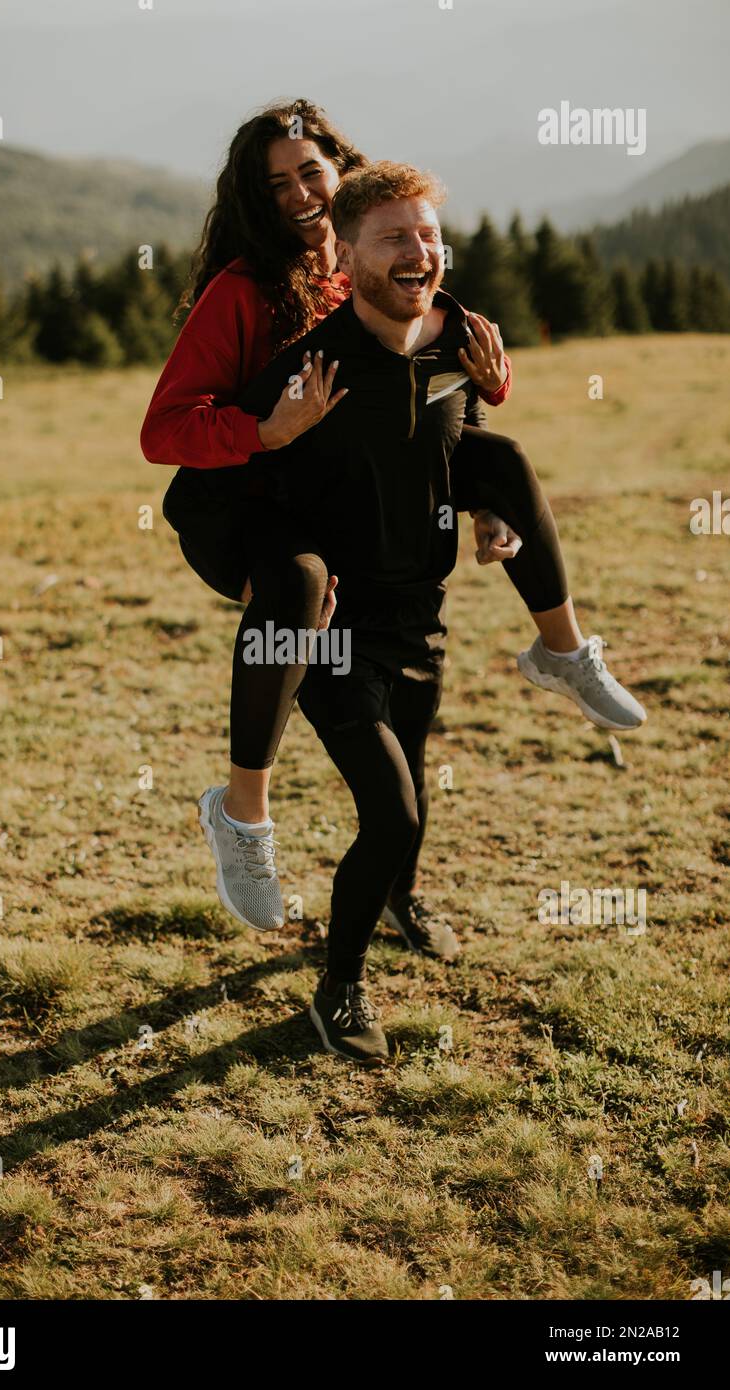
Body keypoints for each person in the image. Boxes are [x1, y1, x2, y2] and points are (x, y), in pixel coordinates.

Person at [140, 100, 646, 941]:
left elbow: (434, 389)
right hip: (249, 504)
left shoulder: (380, 258)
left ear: (341, 178)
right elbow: (163, 431)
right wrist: (264, 429)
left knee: (502, 469)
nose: (299, 196)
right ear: (254, 202)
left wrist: (483, 463)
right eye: (277, 186)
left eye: (312, 173)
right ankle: (243, 818)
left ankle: (560, 654)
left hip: (355, 507)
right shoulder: (243, 293)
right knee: (299, 587)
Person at [230, 161, 645, 1063]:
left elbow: (448, 448)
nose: (420, 252)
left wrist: (488, 502)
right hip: (335, 635)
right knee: (394, 811)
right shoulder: (310, 370)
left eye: (427, 235)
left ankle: (400, 897)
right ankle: (338, 987)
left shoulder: (455, 342)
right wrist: (273, 578)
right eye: (395, 238)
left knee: (412, 779)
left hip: (424, 613)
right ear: (347, 254)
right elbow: (213, 490)